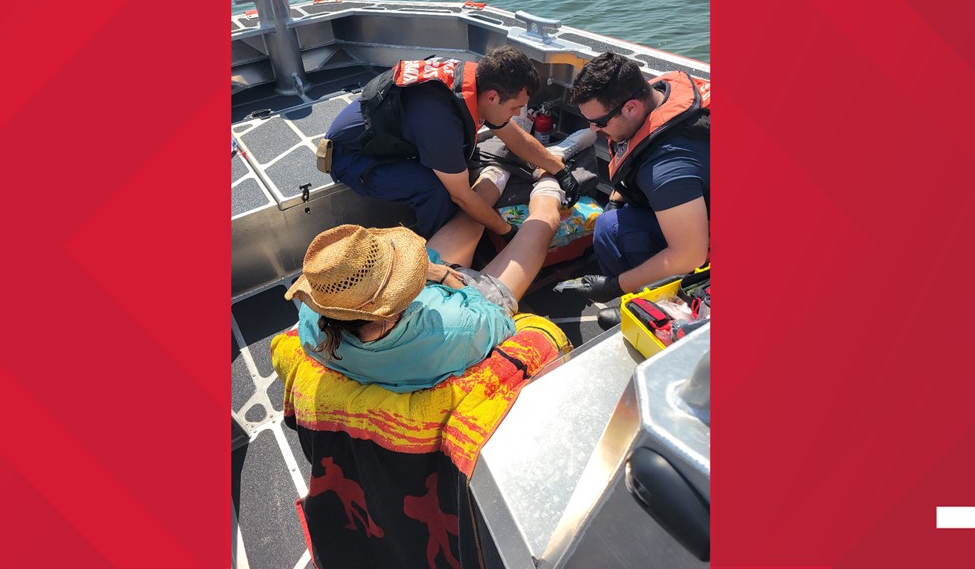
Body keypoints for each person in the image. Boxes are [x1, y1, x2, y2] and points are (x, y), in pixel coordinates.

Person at [284, 171, 566, 390]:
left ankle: (495, 173)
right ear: (390, 306)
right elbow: (496, 320)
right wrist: (445, 276)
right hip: (469, 301)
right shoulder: (457, 330)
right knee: (544, 223)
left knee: (468, 219)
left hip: (420, 298)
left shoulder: (315, 311)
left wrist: (425, 271)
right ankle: (547, 175)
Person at [322, 45, 581, 238]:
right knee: (436, 189)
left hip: (388, 136)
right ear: (492, 97)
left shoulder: (476, 83)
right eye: (515, 107)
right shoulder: (440, 121)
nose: (517, 114)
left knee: (463, 163)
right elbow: (462, 197)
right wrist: (506, 231)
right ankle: (440, 255)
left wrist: (560, 170)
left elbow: (515, 138)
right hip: (352, 156)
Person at [566, 52, 710, 303]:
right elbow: (635, 153)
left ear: (631, 108)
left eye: (598, 122)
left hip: (707, 241)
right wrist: (617, 198)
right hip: (699, 199)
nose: (593, 130)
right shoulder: (657, 94)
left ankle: (650, 304)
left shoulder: (667, 167)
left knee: (609, 229)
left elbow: (690, 255)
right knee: (611, 216)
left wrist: (614, 286)